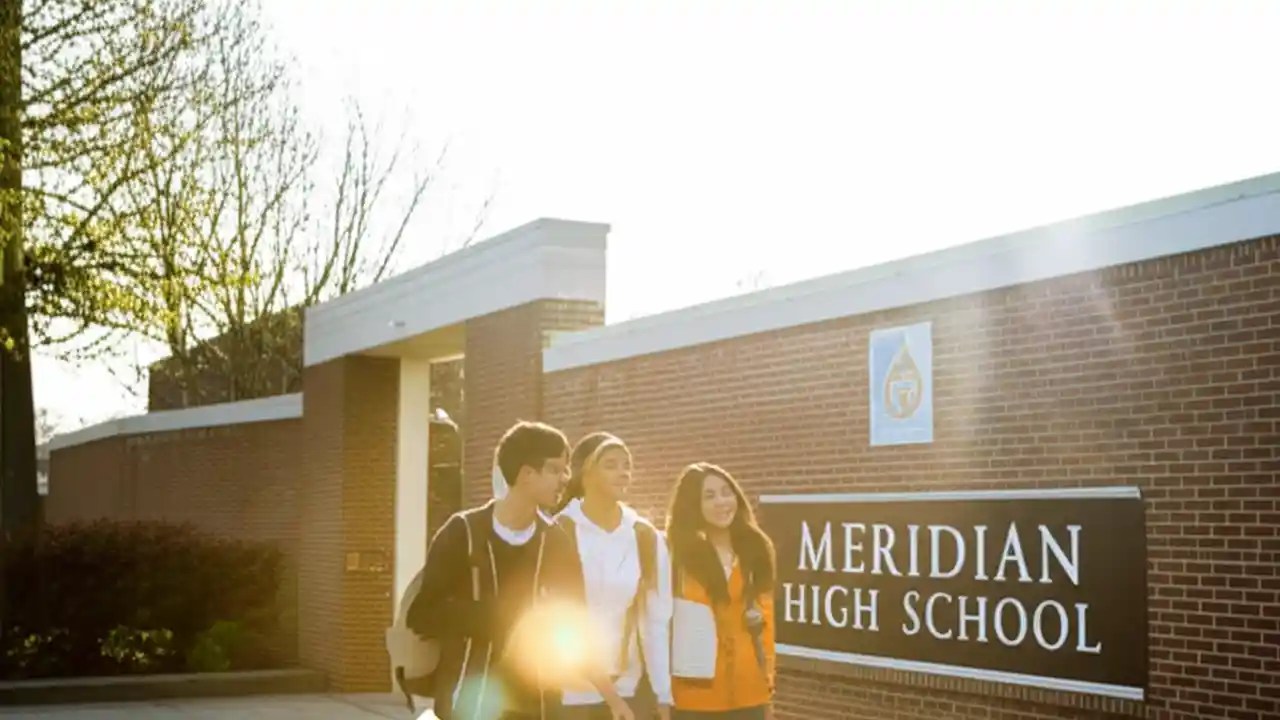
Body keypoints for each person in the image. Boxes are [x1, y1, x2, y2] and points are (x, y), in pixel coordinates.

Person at [406, 420, 634, 720]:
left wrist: (613, 700)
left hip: (536, 705)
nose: (565, 478)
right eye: (554, 469)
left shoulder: (555, 542)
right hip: (468, 701)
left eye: (565, 469)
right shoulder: (462, 532)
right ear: (526, 474)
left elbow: (578, 627)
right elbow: (422, 614)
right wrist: (500, 617)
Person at [553, 432, 673, 720]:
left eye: (626, 465)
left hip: (628, 692)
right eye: (611, 465)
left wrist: (663, 693)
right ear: (585, 473)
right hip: (564, 692)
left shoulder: (645, 536)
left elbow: (654, 624)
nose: (623, 474)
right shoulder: (559, 531)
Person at [665, 463, 776, 720]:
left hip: (749, 692)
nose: (722, 502)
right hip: (694, 696)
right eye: (709, 496)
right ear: (693, 504)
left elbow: (767, 625)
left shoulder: (756, 549)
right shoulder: (675, 556)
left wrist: (767, 690)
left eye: (727, 492)